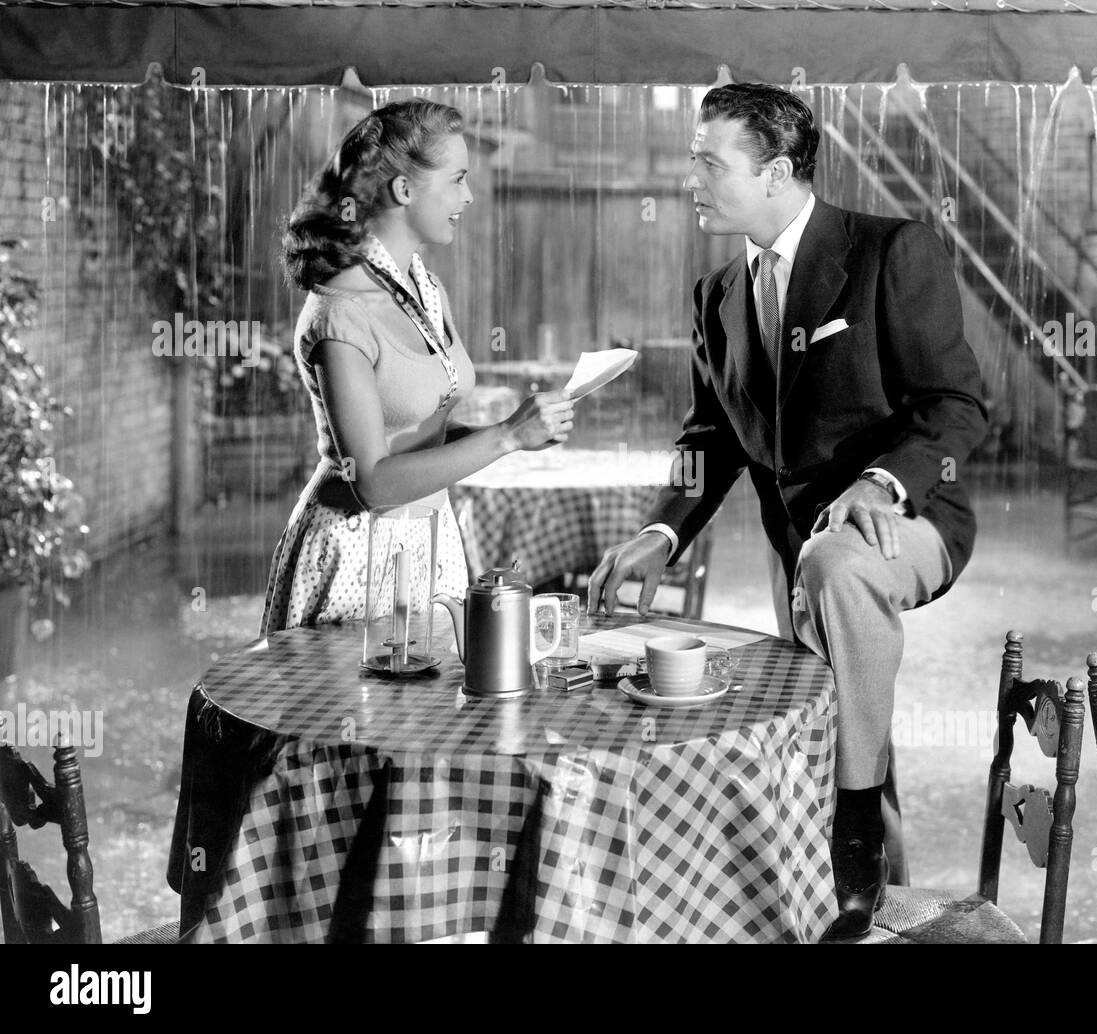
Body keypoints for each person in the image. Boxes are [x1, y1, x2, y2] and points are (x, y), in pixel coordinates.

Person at [586, 84, 988, 941]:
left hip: (907, 518)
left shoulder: (892, 252)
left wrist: (880, 484)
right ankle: (868, 901)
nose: (689, 175)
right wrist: (662, 532)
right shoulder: (716, 295)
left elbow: (956, 406)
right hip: (798, 546)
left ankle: (851, 851)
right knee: (831, 702)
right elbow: (711, 436)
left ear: (774, 172)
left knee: (838, 570)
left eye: (707, 160)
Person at [261, 99, 575, 636]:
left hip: (430, 540)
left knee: (436, 718)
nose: (469, 196)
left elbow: (418, 428)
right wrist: (504, 436)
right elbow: (375, 482)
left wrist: (515, 434)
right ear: (404, 191)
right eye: (456, 180)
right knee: (357, 719)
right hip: (354, 556)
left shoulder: (424, 290)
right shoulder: (342, 313)